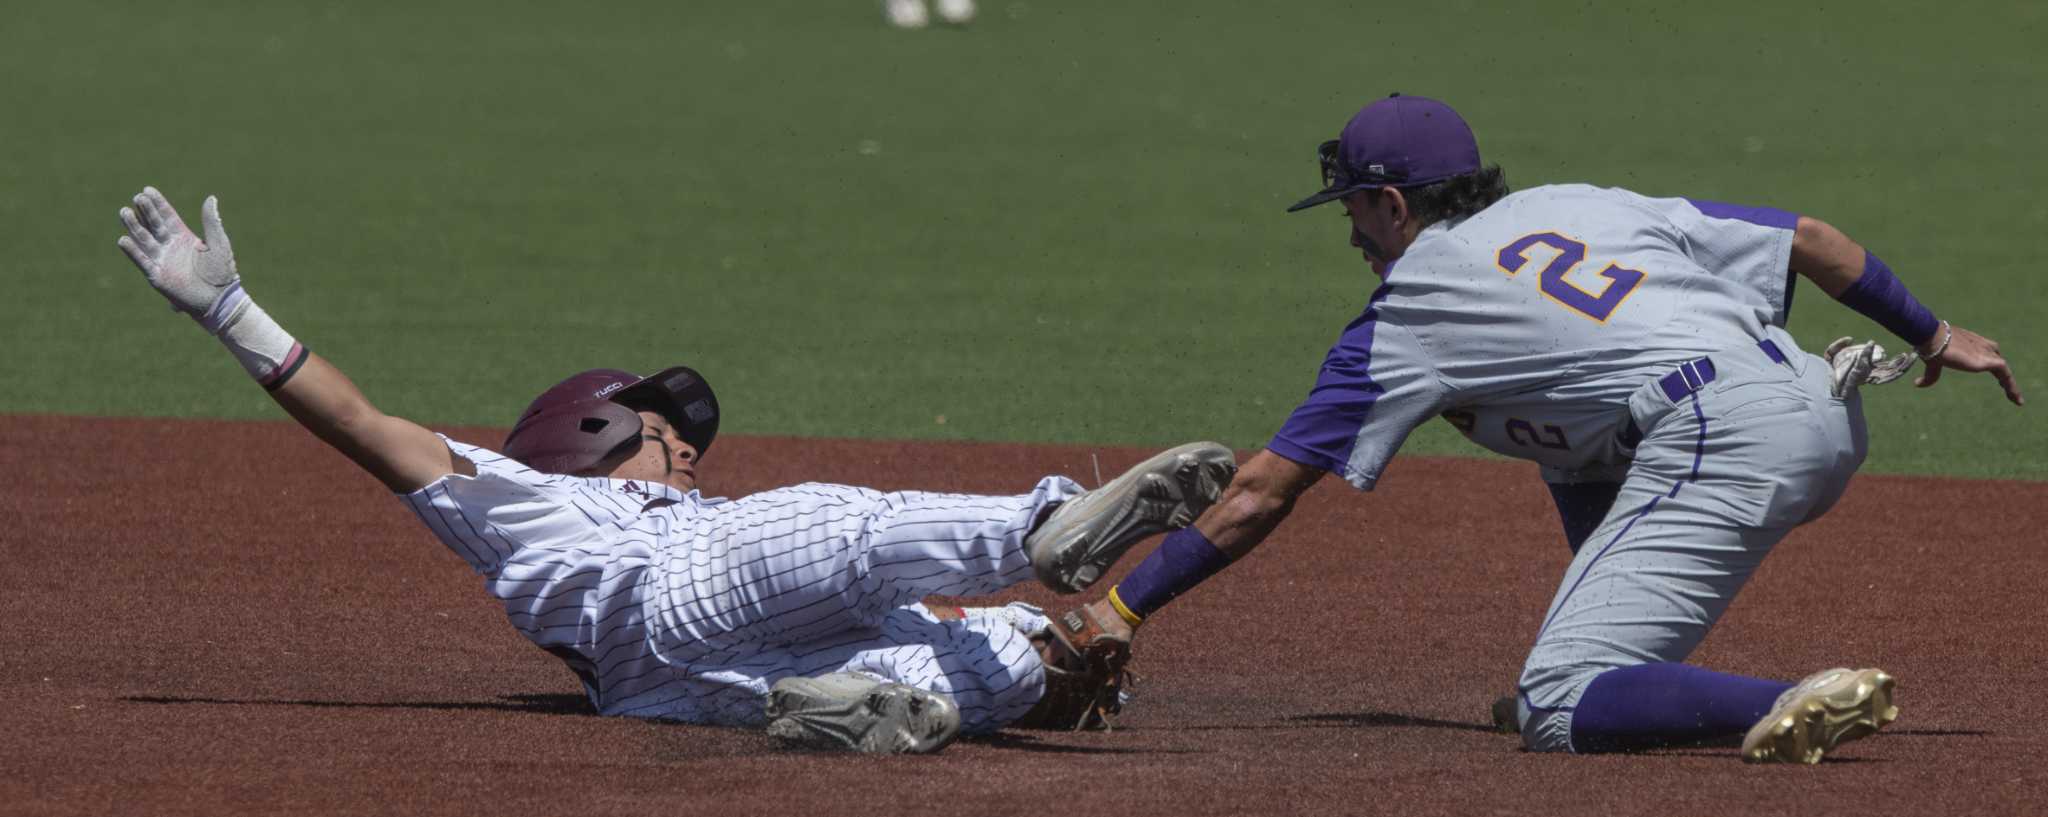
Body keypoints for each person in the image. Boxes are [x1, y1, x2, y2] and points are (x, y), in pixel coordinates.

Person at [1056, 94, 2023, 763]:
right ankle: (1631, 678)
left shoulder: (1412, 307)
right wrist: (1934, 332)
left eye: (1351, 205)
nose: (1349, 229)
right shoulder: (1578, 204)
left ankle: (1788, 693)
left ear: (1392, 204)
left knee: (1557, 704)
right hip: (1815, 400)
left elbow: (1262, 489)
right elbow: (1812, 240)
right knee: (1563, 447)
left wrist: (1122, 608)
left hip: (1717, 434)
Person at [114, 186, 1236, 754]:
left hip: (660, 693)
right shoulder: (534, 499)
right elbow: (360, 421)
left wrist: (1053, 656)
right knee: (830, 528)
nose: (686, 446)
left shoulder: (535, 550)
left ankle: (896, 708)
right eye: (658, 429)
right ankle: (1040, 532)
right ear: (591, 435)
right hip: (679, 580)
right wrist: (230, 309)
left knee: (982, 648)